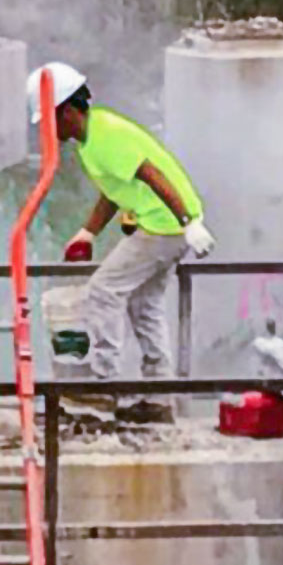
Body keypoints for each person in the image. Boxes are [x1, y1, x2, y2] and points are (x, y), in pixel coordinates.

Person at [35, 61, 213, 418]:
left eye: (49, 120)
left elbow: (153, 176)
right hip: (165, 224)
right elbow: (115, 189)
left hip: (164, 225)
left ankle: (103, 385)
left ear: (68, 111)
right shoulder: (92, 138)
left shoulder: (106, 136)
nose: (47, 130)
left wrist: (188, 222)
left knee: (104, 290)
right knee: (144, 307)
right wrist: (88, 232)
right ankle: (159, 396)